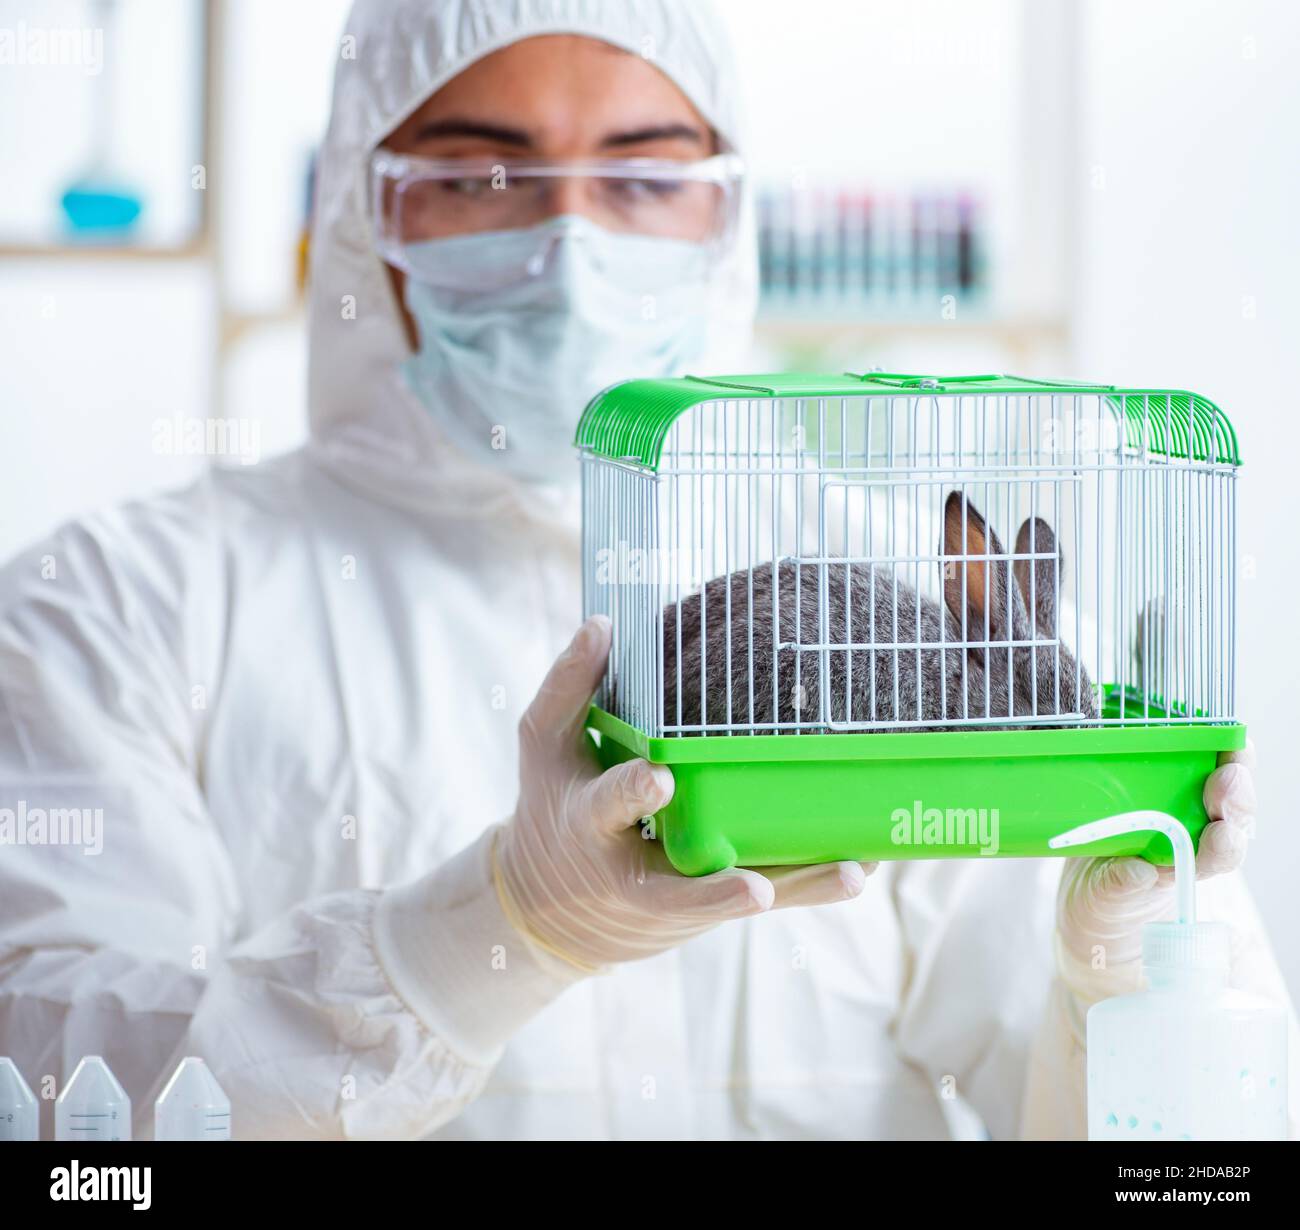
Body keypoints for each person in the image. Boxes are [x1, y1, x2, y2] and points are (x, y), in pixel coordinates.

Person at [0, 0, 1292, 1141]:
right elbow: (60, 1102)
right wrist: (490, 930)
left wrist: (1126, 971)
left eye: (643, 178)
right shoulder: (119, 608)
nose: (570, 245)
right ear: (363, 209)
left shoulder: (893, 600)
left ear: (726, 216)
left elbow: (1158, 1162)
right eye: (481, 177)